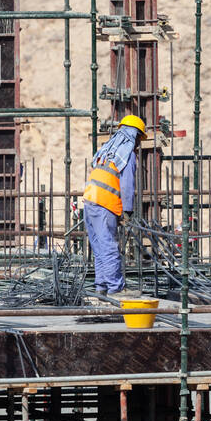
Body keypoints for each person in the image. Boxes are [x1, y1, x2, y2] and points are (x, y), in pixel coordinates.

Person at [81, 115, 145, 296]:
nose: (139, 144)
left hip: (90, 201)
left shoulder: (105, 151)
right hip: (104, 203)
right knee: (109, 246)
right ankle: (116, 288)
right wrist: (127, 211)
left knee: (100, 246)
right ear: (135, 135)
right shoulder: (127, 154)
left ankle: (102, 286)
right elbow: (126, 185)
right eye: (139, 138)